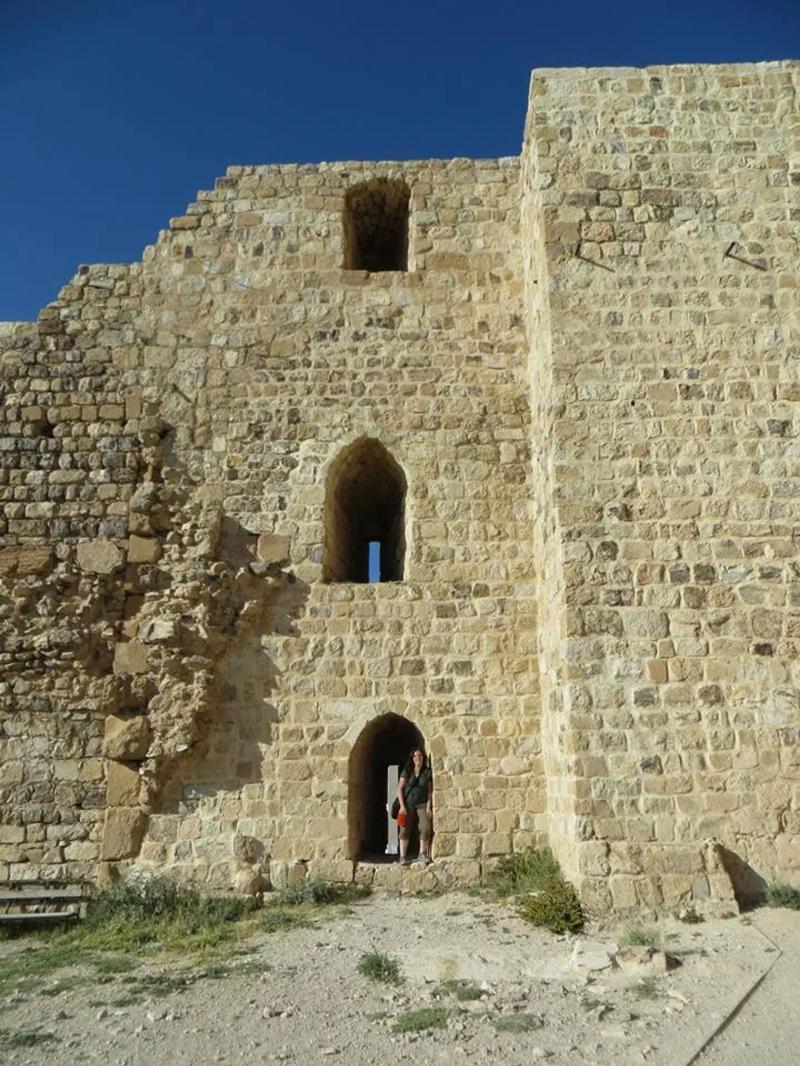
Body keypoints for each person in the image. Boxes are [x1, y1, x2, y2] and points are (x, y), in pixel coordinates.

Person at [398, 748, 433, 866]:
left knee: (426, 827)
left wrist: (429, 805)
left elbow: (429, 790)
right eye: (415, 756)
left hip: (422, 803)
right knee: (405, 828)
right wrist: (402, 806)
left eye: (420, 756)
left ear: (423, 757)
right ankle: (402, 857)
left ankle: (422, 854)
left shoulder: (427, 772)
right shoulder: (407, 771)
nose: (417, 758)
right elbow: (400, 789)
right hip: (408, 804)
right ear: (412, 758)